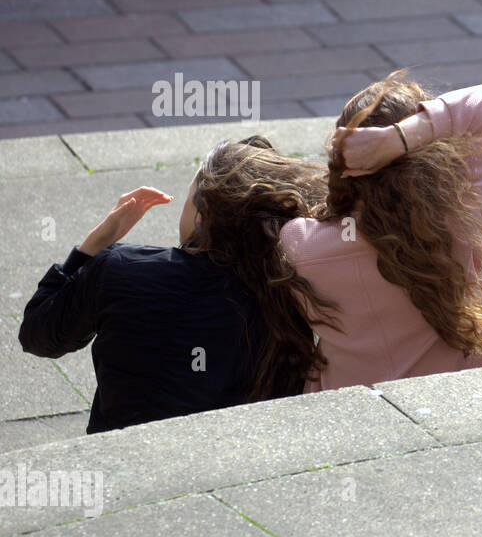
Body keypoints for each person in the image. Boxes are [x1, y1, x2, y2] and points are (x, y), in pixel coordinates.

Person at [18, 137, 321, 432]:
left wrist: (93, 246)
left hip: (118, 460)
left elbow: (37, 334)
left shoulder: (120, 268)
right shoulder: (287, 294)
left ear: (204, 215)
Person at [280, 73, 482, 391]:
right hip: (456, 400)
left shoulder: (300, 243)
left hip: (345, 415)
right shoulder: (455, 216)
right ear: (433, 155)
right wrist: (401, 138)